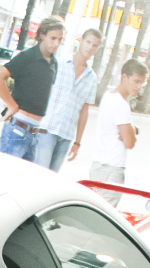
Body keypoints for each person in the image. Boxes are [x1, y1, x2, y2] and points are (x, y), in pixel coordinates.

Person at [0, 15, 66, 162]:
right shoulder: (28, 56)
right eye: (53, 38)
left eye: (60, 39)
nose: (56, 43)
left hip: (36, 133)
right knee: (3, 178)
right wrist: (12, 105)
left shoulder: (53, 63)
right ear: (42, 35)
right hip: (17, 130)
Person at [34, 28, 103, 172]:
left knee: (52, 178)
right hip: (47, 129)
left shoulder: (92, 78)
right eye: (88, 42)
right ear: (81, 40)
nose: (90, 47)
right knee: (40, 174)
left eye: (95, 45)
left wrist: (77, 142)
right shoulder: (58, 64)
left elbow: (84, 111)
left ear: (98, 49)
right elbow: (40, 92)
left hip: (66, 136)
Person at [90, 59, 148, 205]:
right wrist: (131, 133)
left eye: (142, 83)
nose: (139, 87)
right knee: (104, 219)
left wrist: (132, 130)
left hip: (98, 166)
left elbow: (127, 132)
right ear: (124, 77)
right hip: (112, 169)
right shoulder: (121, 105)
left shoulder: (109, 96)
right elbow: (130, 143)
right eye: (136, 81)